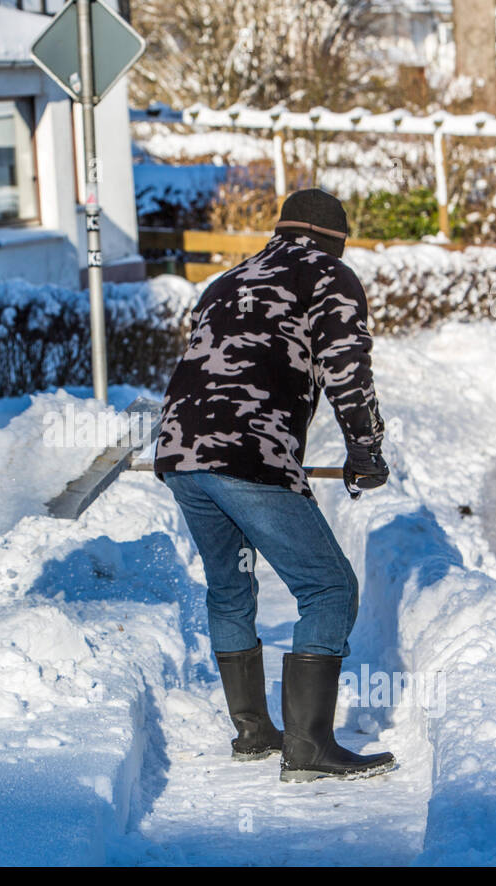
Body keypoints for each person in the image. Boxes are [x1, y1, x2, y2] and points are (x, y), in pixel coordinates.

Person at [154, 188, 396, 783]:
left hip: (180, 450)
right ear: (335, 240)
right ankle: (309, 748)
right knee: (328, 586)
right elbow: (346, 365)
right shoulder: (329, 275)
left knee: (231, 588)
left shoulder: (225, 280)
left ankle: (255, 733)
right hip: (249, 454)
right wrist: (365, 449)